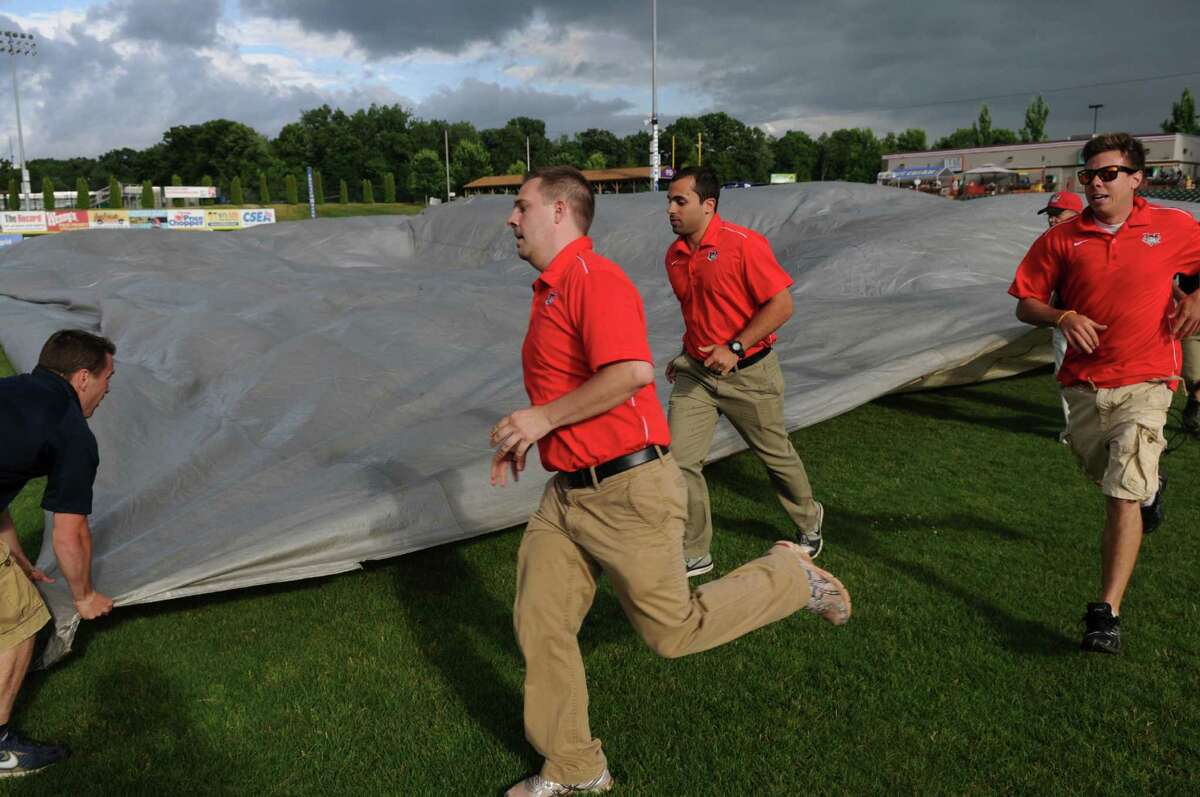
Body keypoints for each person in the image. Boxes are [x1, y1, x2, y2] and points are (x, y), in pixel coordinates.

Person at [492, 166, 851, 796]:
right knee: (539, 621)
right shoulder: (548, 289)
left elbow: (630, 372)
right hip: (568, 494)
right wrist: (536, 437)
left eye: (521, 207)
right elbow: (567, 384)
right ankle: (577, 768)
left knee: (671, 632)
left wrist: (540, 418)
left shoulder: (592, 279)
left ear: (558, 211)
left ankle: (793, 577)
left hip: (627, 491)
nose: (511, 219)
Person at [1008, 133, 1200, 654]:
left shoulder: (1174, 227)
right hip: (1085, 386)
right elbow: (1025, 302)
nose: (1095, 182)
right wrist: (1062, 314)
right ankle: (1152, 491)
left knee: (1121, 496)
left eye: (1108, 173)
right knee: (1107, 477)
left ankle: (1106, 613)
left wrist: (1197, 297)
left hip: (1148, 378)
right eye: (1088, 174)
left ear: (1137, 178)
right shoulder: (1061, 239)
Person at [662, 166, 823, 578]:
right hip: (695, 373)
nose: (671, 209)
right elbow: (700, 311)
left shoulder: (744, 245)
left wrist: (735, 347)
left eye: (680, 200)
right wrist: (686, 352)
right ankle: (694, 550)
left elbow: (782, 305)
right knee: (679, 460)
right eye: (669, 200)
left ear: (708, 205)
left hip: (750, 373)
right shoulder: (675, 255)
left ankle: (809, 519)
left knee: (775, 456)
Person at [0, 329, 116, 777]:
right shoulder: (71, 430)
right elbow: (70, 533)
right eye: (108, 378)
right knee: (19, 620)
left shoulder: (10, 390)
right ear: (83, 377)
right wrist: (84, 597)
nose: (108, 391)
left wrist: (13, 552)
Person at [1037, 191, 1085, 441]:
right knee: (1065, 376)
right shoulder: (1049, 242)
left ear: (1076, 213)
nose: (1051, 220)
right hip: (1063, 320)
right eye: (1049, 215)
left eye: (1057, 214)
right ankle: (1073, 431)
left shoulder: (1095, 238)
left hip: (1094, 322)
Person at [1178, 271, 1200, 433]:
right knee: (1192, 376)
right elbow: (1168, 279)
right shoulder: (1189, 245)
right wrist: (1185, 300)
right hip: (1191, 322)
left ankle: (1195, 407)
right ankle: (1194, 401)